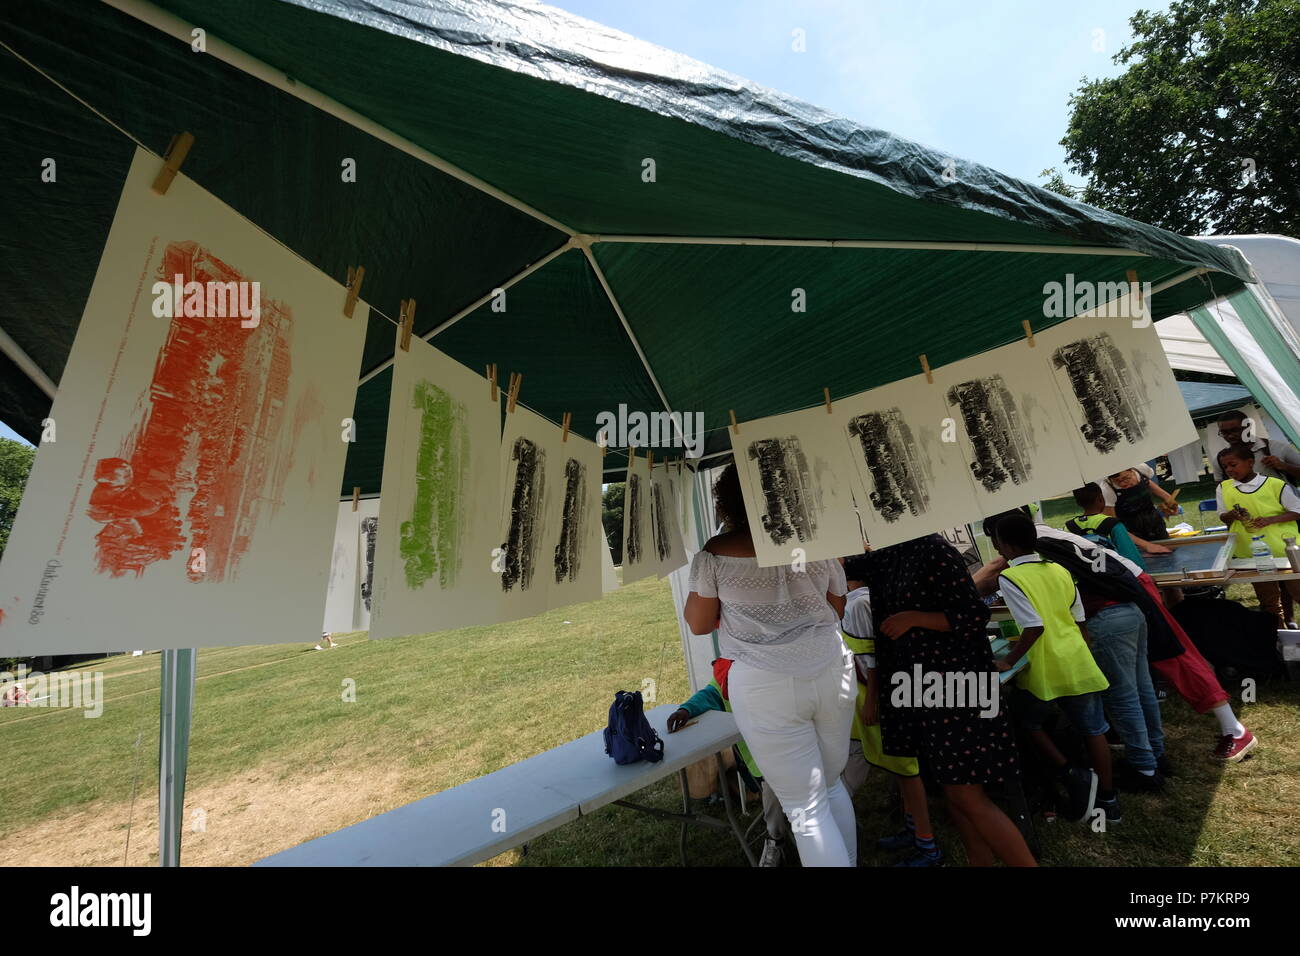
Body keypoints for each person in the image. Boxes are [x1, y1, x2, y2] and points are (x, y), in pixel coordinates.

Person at [975, 507, 1258, 762]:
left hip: (1124, 592)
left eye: (996, 542)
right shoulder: (1047, 536)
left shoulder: (1036, 542)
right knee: (1148, 674)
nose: (998, 550)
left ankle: (1232, 729)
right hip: (1126, 586)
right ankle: (1154, 751)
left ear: (1003, 537)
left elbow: (986, 578)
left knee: (1173, 656)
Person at [683, 464, 857, 867]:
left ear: (726, 502)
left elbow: (698, 624)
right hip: (831, 668)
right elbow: (838, 605)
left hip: (764, 683)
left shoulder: (715, 554)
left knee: (806, 810)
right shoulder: (816, 539)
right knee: (830, 787)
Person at [858, 534, 1036, 867]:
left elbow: (973, 615)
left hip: (959, 686)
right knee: (955, 792)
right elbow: (843, 569)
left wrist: (914, 618)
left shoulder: (933, 549)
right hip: (926, 691)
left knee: (968, 795)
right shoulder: (890, 553)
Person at [990, 513, 1119, 824]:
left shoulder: (1010, 577)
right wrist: (1082, 646)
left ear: (1003, 544)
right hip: (1076, 657)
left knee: (1027, 722)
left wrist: (1008, 660)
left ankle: (1072, 774)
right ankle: (1109, 801)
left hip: (1047, 665)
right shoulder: (1059, 568)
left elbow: (1033, 627)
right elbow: (1079, 617)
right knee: (1095, 730)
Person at [841, 554, 939, 867]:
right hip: (886, 694)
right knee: (900, 770)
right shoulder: (872, 597)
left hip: (881, 698)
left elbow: (874, 659)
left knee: (908, 771)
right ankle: (913, 831)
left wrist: (872, 702)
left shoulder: (858, 604)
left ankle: (927, 847)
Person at [667, 658, 794, 867]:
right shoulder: (728, 667)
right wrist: (687, 709)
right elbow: (712, 693)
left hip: (794, 746)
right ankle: (775, 839)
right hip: (763, 761)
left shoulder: (773, 658)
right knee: (773, 788)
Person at [1217, 443, 1300, 631]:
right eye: (1225, 467)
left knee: (1298, 593)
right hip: (1252, 554)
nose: (1229, 469)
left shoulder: (1275, 485)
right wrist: (1231, 515)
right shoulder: (1223, 488)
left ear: (1250, 462)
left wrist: (1271, 519)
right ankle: (1280, 639)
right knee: (1269, 602)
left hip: (1286, 551)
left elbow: (1297, 510)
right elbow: (1222, 515)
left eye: (1233, 464)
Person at [1065, 484, 1146, 570]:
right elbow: (1131, 556)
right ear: (1101, 498)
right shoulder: (1113, 524)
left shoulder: (1069, 527)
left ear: (1078, 503)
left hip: (1085, 576)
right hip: (1114, 575)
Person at [1099, 465, 1176, 552]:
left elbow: (1151, 485)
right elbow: (1114, 527)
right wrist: (1146, 546)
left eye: (1126, 478)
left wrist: (1171, 503)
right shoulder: (1107, 490)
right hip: (1130, 534)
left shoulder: (1141, 469)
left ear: (1131, 470)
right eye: (1117, 481)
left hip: (1155, 524)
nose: (1123, 483)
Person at [1213, 410, 1300, 484]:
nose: (1230, 436)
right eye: (1224, 432)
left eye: (1234, 430)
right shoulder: (1220, 458)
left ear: (1247, 427)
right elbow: (1221, 488)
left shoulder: (1276, 447)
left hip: (1283, 503)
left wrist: (1284, 466)